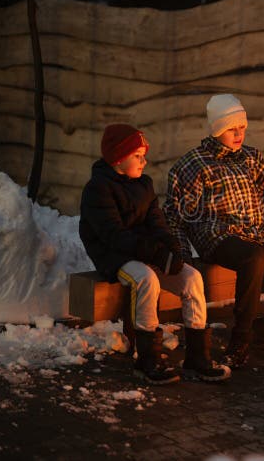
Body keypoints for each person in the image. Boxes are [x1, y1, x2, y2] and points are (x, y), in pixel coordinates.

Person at [164, 94, 264, 369]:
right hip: (218, 234)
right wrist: (182, 257)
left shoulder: (251, 157)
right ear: (216, 129)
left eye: (242, 127)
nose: (239, 134)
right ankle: (240, 339)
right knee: (254, 257)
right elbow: (175, 215)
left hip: (256, 233)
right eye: (231, 128)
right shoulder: (193, 165)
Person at [79, 124, 231, 384]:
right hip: (115, 256)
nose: (144, 160)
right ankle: (147, 359)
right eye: (138, 155)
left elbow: (157, 223)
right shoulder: (98, 188)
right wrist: (155, 253)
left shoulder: (144, 185)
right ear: (119, 158)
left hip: (146, 252)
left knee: (192, 278)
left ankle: (197, 357)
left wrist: (172, 249)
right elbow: (113, 235)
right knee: (146, 280)